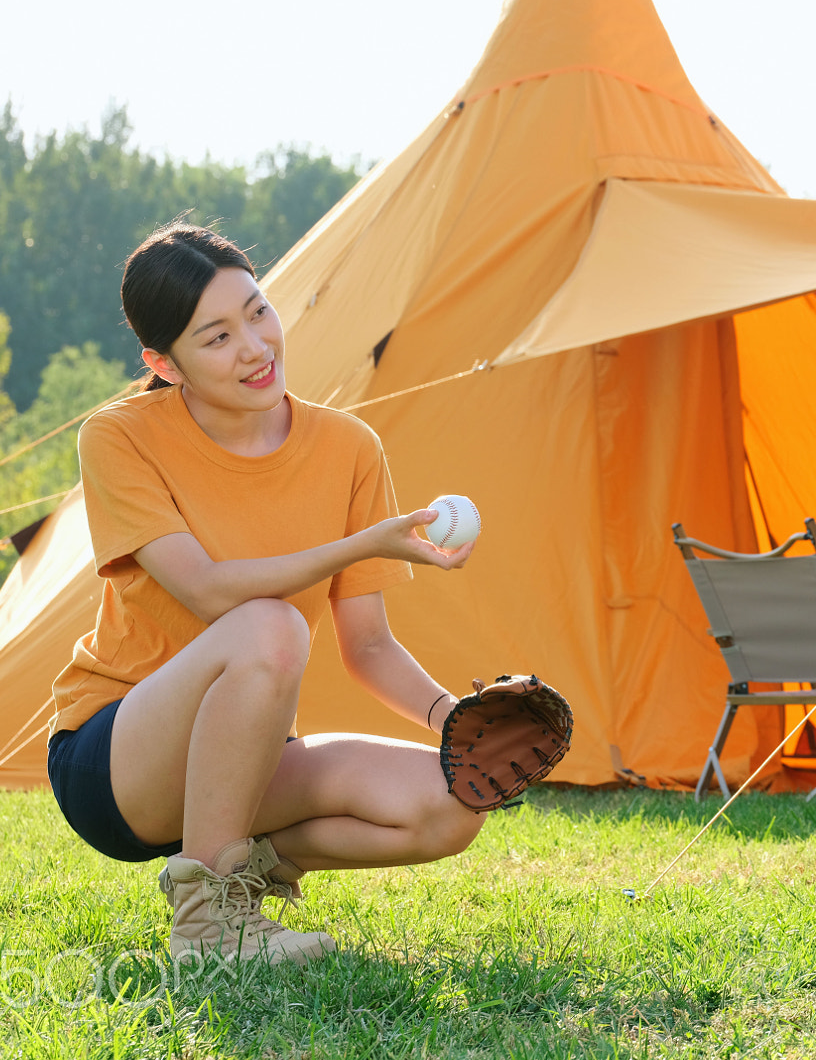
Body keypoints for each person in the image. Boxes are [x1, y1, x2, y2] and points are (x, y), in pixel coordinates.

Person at [46, 223, 488, 965]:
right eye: (215, 338)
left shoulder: (348, 447)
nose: (254, 347)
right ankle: (207, 927)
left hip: (243, 758)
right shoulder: (118, 438)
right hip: (117, 760)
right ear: (163, 362)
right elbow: (210, 593)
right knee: (270, 625)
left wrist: (457, 722)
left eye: (257, 311)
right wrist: (365, 543)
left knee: (451, 807)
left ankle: (245, 877)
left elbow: (370, 647)